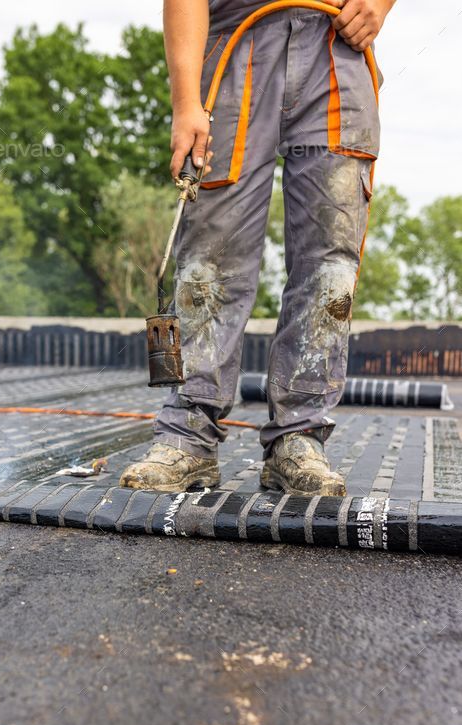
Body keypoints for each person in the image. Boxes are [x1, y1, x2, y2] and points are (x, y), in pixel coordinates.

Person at [120, 0, 396, 496]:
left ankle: (300, 438)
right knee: (210, 257)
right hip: (235, 45)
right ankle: (188, 436)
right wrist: (186, 102)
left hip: (336, 47)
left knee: (329, 264)